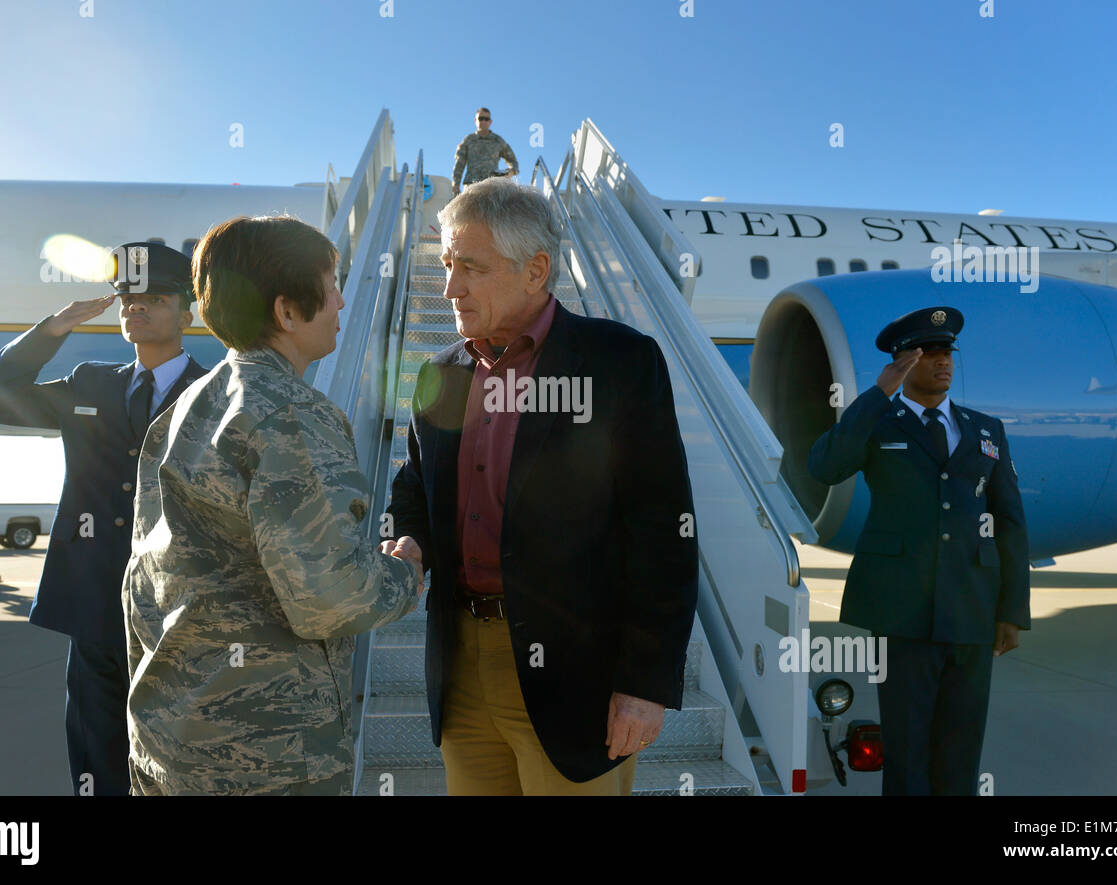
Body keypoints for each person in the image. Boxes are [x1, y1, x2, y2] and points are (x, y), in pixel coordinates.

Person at [387, 177, 698, 795]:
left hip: (576, 677)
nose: (451, 288)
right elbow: (415, 481)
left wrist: (644, 684)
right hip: (460, 669)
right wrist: (411, 540)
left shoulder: (619, 362)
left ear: (536, 270)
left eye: (471, 267)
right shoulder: (440, 373)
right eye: (448, 265)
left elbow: (664, 531)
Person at [123, 215, 424, 796]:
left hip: (171, 738)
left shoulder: (188, 407)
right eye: (332, 284)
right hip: (266, 754)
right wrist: (403, 575)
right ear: (287, 312)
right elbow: (326, 598)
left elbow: (144, 580)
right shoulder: (291, 413)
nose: (341, 300)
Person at [0, 242, 208, 796]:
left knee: (181, 743)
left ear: (187, 313)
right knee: (95, 741)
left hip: (182, 601)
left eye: (154, 298)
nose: (136, 308)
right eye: (129, 299)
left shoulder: (213, 389)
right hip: (94, 601)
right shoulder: (88, 383)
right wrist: (54, 328)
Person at [806, 306, 1030, 795]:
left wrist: (1011, 610)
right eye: (929, 352)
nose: (943, 360)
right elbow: (824, 466)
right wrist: (879, 391)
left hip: (972, 610)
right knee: (906, 753)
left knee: (961, 749)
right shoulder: (878, 422)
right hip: (901, 612)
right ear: (902, 362)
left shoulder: (986, 429)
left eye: (947, 351)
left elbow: (1009, 522)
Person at [451, 106, 519, 196]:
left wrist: (511, 172)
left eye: (486, 119)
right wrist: (456, 185)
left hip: (492, 187)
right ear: (475, 120)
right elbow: (459, 164)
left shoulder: (498, 141)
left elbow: (513, 160)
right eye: (480, 118)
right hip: (471, 186)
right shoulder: (468, 140)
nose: (483, 121)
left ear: (490, 122)